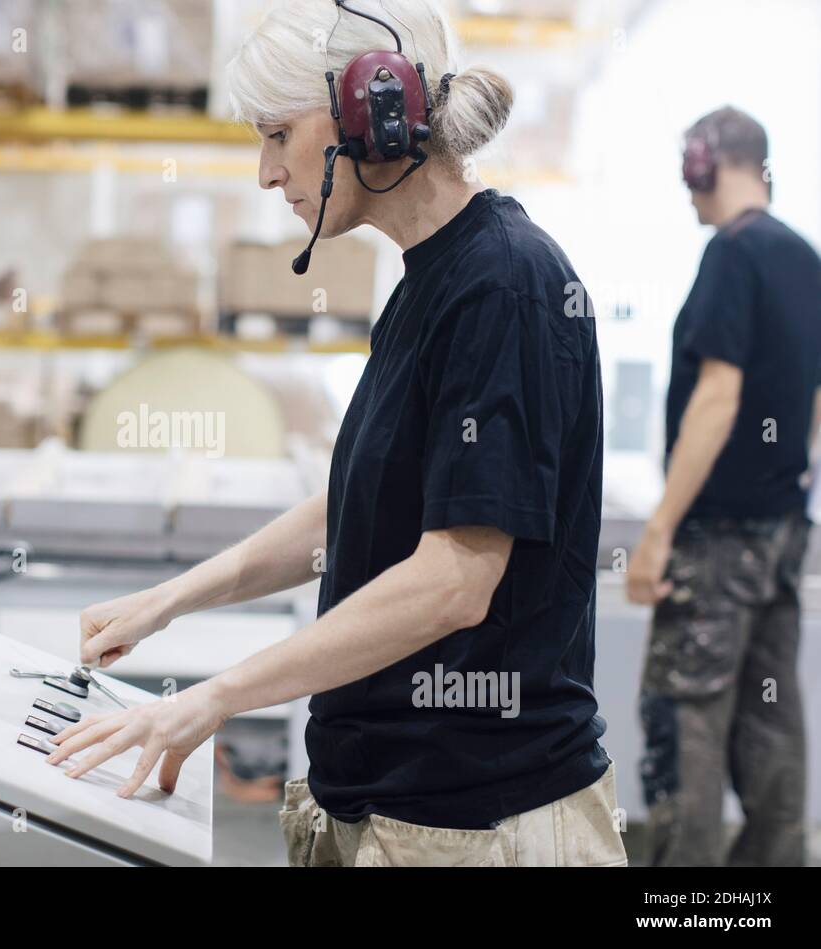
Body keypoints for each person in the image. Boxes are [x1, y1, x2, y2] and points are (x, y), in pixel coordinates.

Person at [45, 0, 626, 867]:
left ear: (370, 114)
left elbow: (453, 583)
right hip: (394, 803)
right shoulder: (430, 280)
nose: (266, 174)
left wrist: (218, 696)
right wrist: (171, 600)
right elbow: (357, 502)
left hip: (478, 821)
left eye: (278, 134)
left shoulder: (507, 286)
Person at [627, 106, 821, 867]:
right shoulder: (806, 261)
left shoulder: (731, 255)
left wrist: (659, 529)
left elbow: (717, 396)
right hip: (781, 533)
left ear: (711, 163)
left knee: (690, 725)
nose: (687, 187)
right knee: (771, 719)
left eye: (690, 168)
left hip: (714, 541)